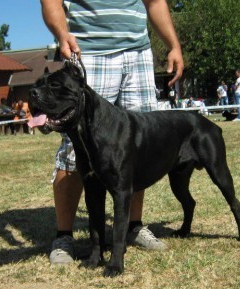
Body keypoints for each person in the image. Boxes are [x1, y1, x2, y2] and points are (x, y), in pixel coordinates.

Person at [41, 0, 184, 264]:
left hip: (138, 53)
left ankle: (133, 226)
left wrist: (173, 45)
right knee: (75, 149)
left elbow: (154, 2)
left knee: (137, 145)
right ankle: (64, 236)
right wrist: (62, 34)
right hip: (88, 50)